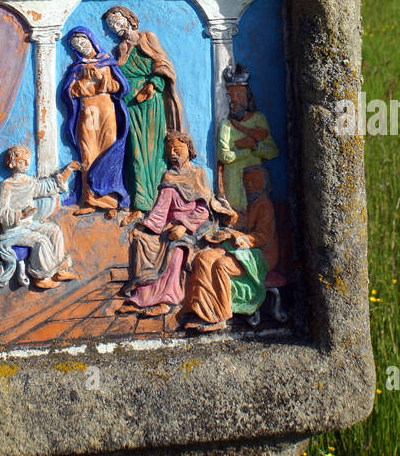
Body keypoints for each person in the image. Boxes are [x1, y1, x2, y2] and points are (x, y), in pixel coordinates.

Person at [117, 131, 234, 318]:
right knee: (143, 243)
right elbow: (160, 209)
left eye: (177, 149)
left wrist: (184, 226)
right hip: (168, 225)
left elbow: (203, 210)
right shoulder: (168, 176)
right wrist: (147, 227)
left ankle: (167, 300)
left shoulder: (198, 174)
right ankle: (141, 298)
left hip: (193, 227)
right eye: (169, 149)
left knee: (176, 250)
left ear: (189, 149)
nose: (173, 153)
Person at [103, 5, 184, 213]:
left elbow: (163, 65)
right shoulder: (120, 49)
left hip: (148, 102)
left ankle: (154, 200)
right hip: (128, 104)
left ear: (129, 19)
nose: (115, 26)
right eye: (111, 25)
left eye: (117, 20)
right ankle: (138, 202)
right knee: (133, 151)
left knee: (151, 150)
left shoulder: (147, 38)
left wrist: (152, 85)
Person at [182, 165, 274, 332]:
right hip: (243, 250)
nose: (250, 186)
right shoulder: (253, 204)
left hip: (260, 255)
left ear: (265, 184)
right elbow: (245, 223)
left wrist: (234, 236)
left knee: (221, 265)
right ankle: (204, 311)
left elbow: (262, 237)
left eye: (255, 182)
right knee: (204, 257)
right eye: (247, 183)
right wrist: (231, 215)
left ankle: (221, 316)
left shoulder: (265, 205)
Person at [0, 145, 80, 289]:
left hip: (29, 225)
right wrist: (20, 215)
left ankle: (60, 270)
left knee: (54, 231)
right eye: (22, 161)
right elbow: (0, 212)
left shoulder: (29, 182)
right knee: (41, 241)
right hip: (14, 231)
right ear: (12, 163)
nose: (27, 164)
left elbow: (48, 186)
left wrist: (68, 170)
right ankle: (41, 276)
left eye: (28, 161)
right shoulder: (7, 185)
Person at [60, 27, 130, 214]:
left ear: (91, 40)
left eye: (82, 41)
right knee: (88, 154)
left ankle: (112, 202)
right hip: (88, 112)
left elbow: (121, 88)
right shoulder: (77, 68)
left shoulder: (107, 63)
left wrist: (101, 79)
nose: (81, 46)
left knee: (109, 152)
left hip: (106, 111)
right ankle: (90, 201)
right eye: (76, 45)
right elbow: (70, 92)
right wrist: (84, 81)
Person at [216, 64, 279, 214]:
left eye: (239, 95)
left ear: (248, 96)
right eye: (231, 95)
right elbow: (224, 156)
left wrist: (254, 146)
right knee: (238, 216)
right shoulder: (227, 125)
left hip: (255, 179)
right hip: (233, 180)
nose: (235, 100)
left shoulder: (258, 119)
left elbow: (273, 152)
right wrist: (248, 149)